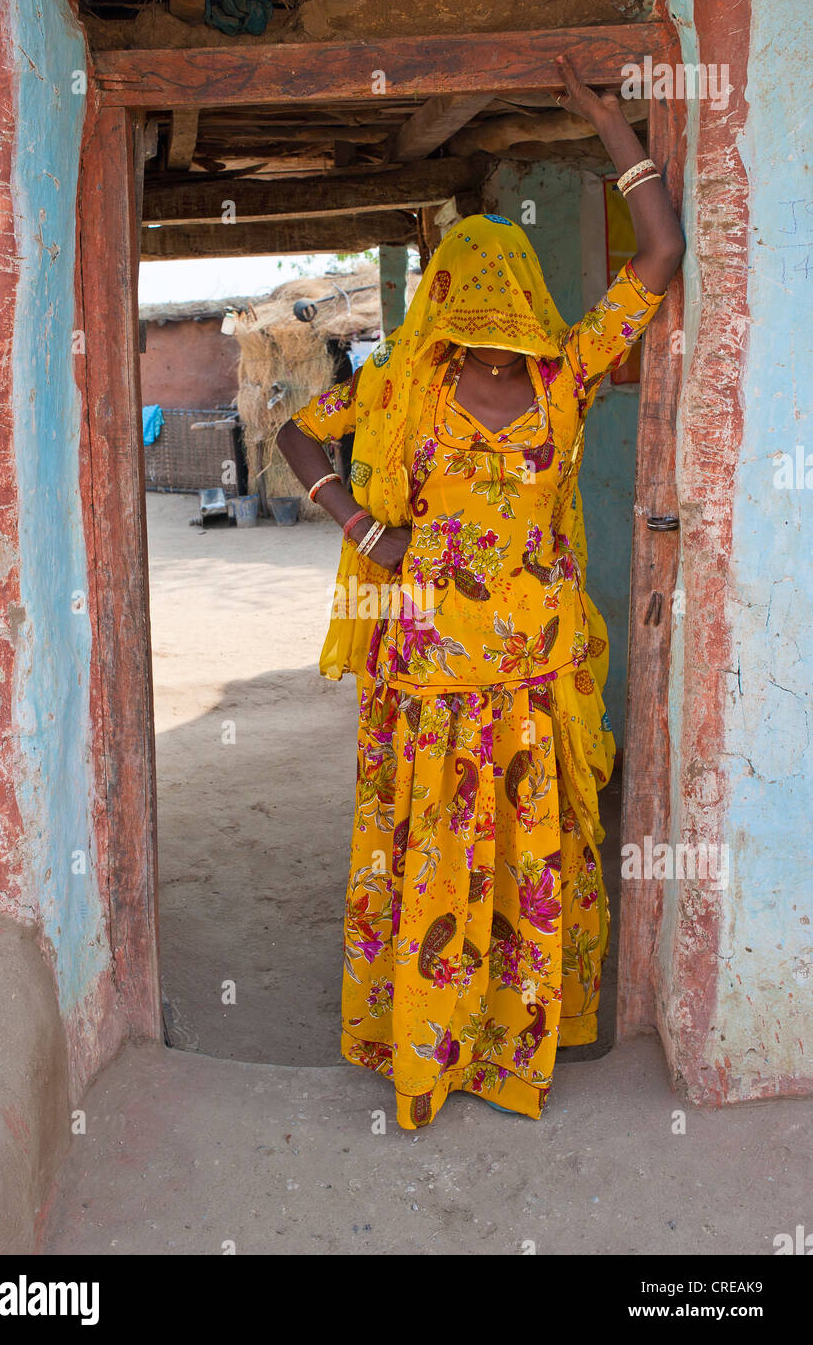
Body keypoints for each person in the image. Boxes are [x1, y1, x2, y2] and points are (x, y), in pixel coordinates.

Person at [276, 55, 685, 1129]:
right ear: (450, 283)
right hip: (424, 676)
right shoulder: (401, 381)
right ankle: (424, 1040)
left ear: (524, 290)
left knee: (521, 865)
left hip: (530, 680)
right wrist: (362, 526)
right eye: (473, 272)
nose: (492, 294)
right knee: (433, 862)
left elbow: (661, 253)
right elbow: (290, 427)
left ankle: (506, 1045)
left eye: (503, 275)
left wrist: (610, 126)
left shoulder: (567, 374)